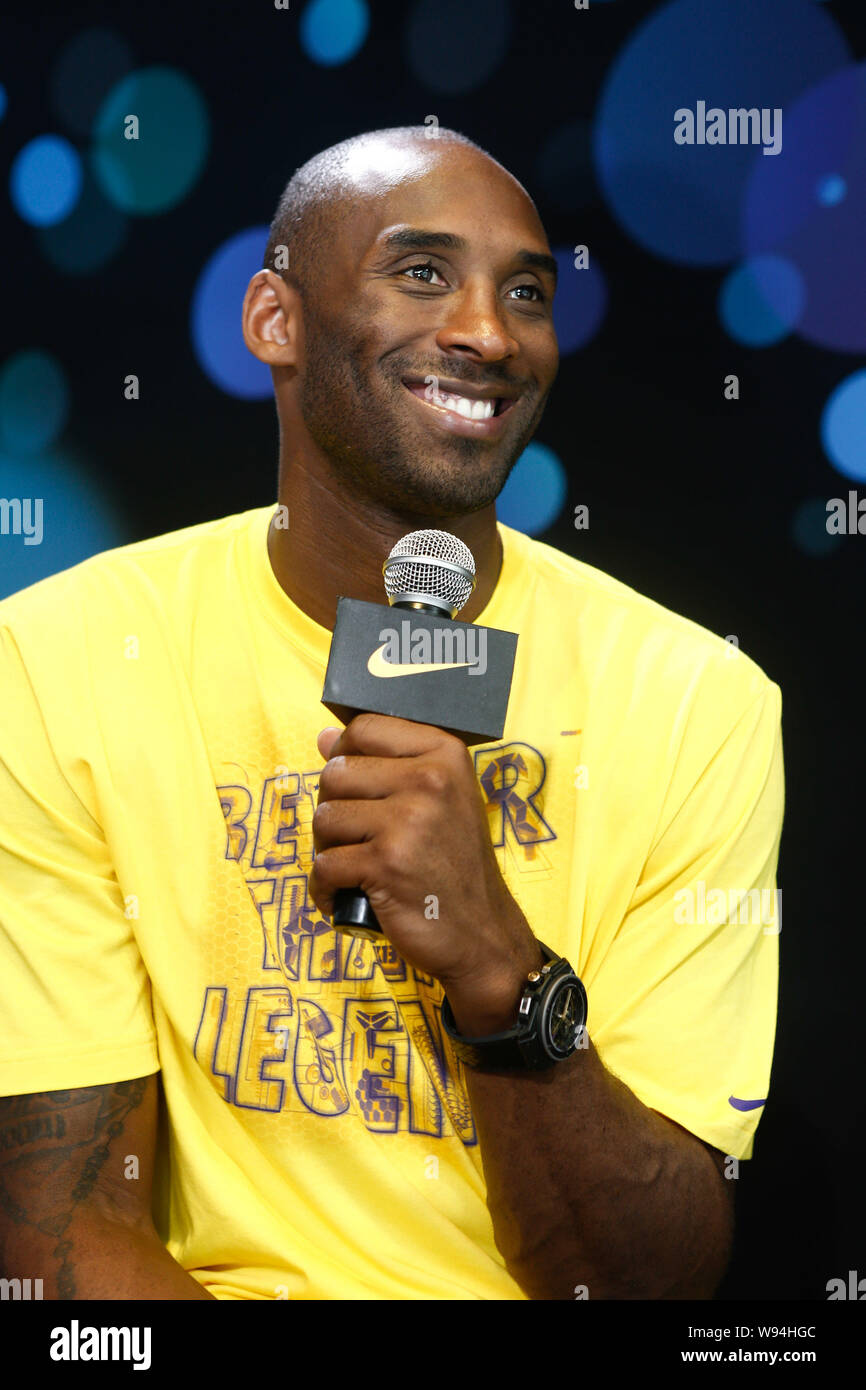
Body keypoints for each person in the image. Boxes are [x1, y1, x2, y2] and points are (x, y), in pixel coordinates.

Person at [0, 126, 783, 1301]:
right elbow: (59, 1235)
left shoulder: (696, 700)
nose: (485, 332)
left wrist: (497, 968)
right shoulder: (58, 657)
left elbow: (652, 1285)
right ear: (275, 320)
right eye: (421, 273)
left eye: (524, 291)